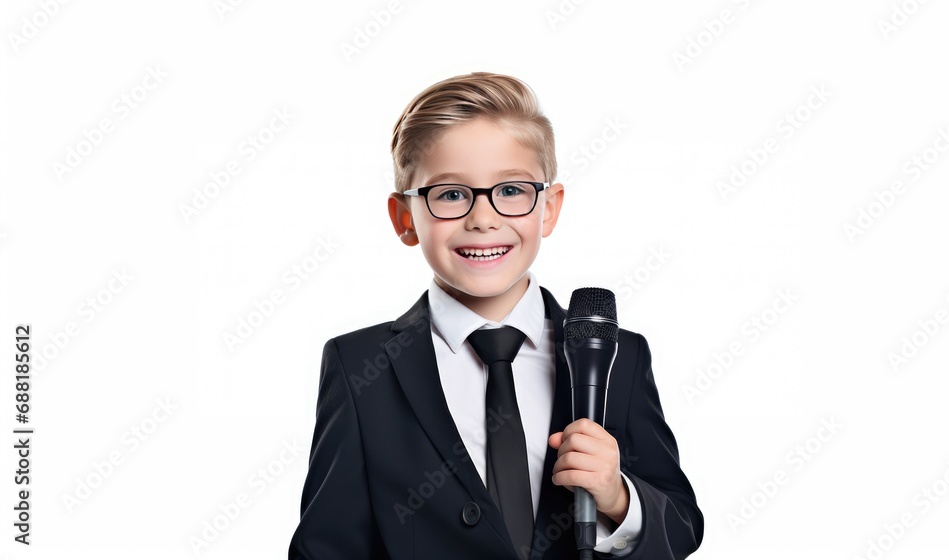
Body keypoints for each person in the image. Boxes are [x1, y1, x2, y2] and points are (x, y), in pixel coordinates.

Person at [288, 72, 703, 559]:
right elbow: (327, 548)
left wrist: (617, 497)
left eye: (510, 191)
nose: (483, 218)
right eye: (449, 195)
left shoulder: (617, 353)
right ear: (405, 219)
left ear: (548, 209)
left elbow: (680, 529)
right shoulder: (359, 365)